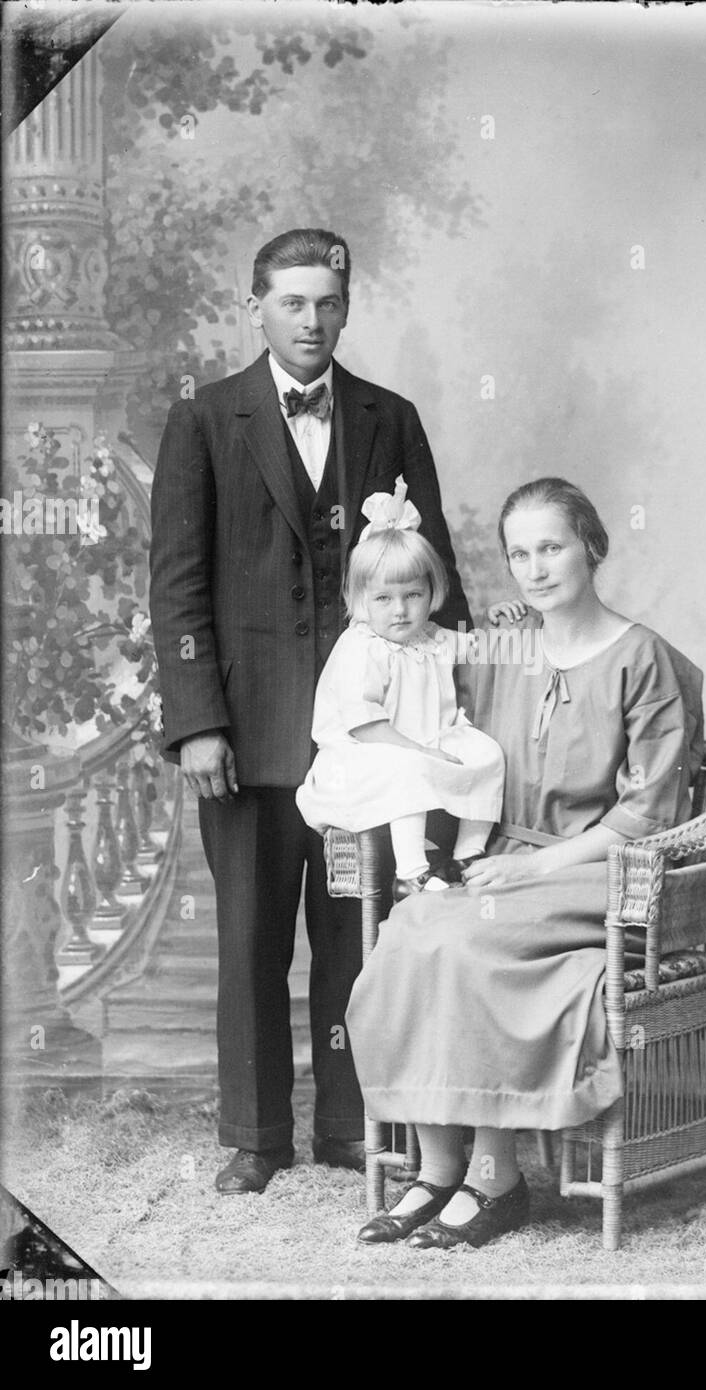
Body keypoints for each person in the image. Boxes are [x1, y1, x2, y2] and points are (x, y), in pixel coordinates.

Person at [149, 228, 470, 1195]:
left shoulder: (390, 417)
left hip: (363, 743)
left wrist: (424, 700)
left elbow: (435, 580)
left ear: (347, 307)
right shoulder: (205, 420)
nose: (311, 320)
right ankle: (255, 1136)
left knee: (355, 939)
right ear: (256, 307)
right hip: (244, 737)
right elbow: (178, 586)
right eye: (292, 302)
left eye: (327, 302)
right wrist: (198, 719)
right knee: (250, 942)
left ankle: (348, 1122)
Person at [345, 477, 704, 1248]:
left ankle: (495, 1179)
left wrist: (534, 871)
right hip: (502, 859)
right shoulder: (503, 644)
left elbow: (645, 814)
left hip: (596, 871)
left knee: (470, 942)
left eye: (552, 547)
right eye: (519, 554)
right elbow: (415, 680)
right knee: (411, 930)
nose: (535, 568)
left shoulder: (641, 659)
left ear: (592, 547)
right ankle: (435, 1172)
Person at [296, 476, 505, 897]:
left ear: (432, 593)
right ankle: (410, 871)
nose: (401, 611)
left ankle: (468, 852)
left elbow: (482, 647)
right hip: (365, 758)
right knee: (406, 771)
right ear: (360, 601)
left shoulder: (431, 635)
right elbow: (365, 726)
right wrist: (423, 752)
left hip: (427, 741)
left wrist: (500, 619)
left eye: (413, 595)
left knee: (487, 752)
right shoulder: (362, 646)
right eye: (384, 599)